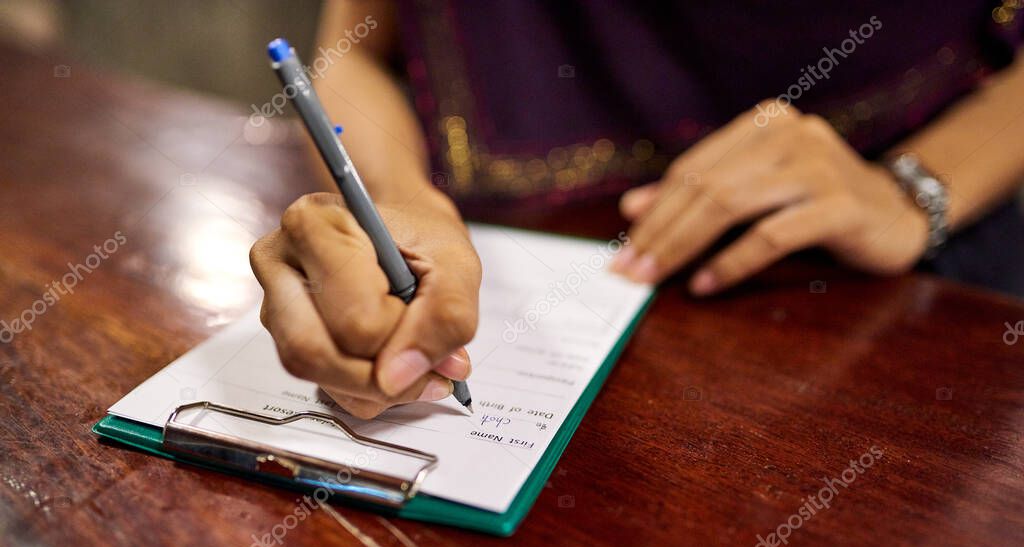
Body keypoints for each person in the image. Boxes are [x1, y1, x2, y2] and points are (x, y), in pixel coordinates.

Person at [250, 0, 1024, 418]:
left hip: (897, 270)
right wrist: (399, 200)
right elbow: (351, 47)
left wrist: (914, 186)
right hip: (511, 235)